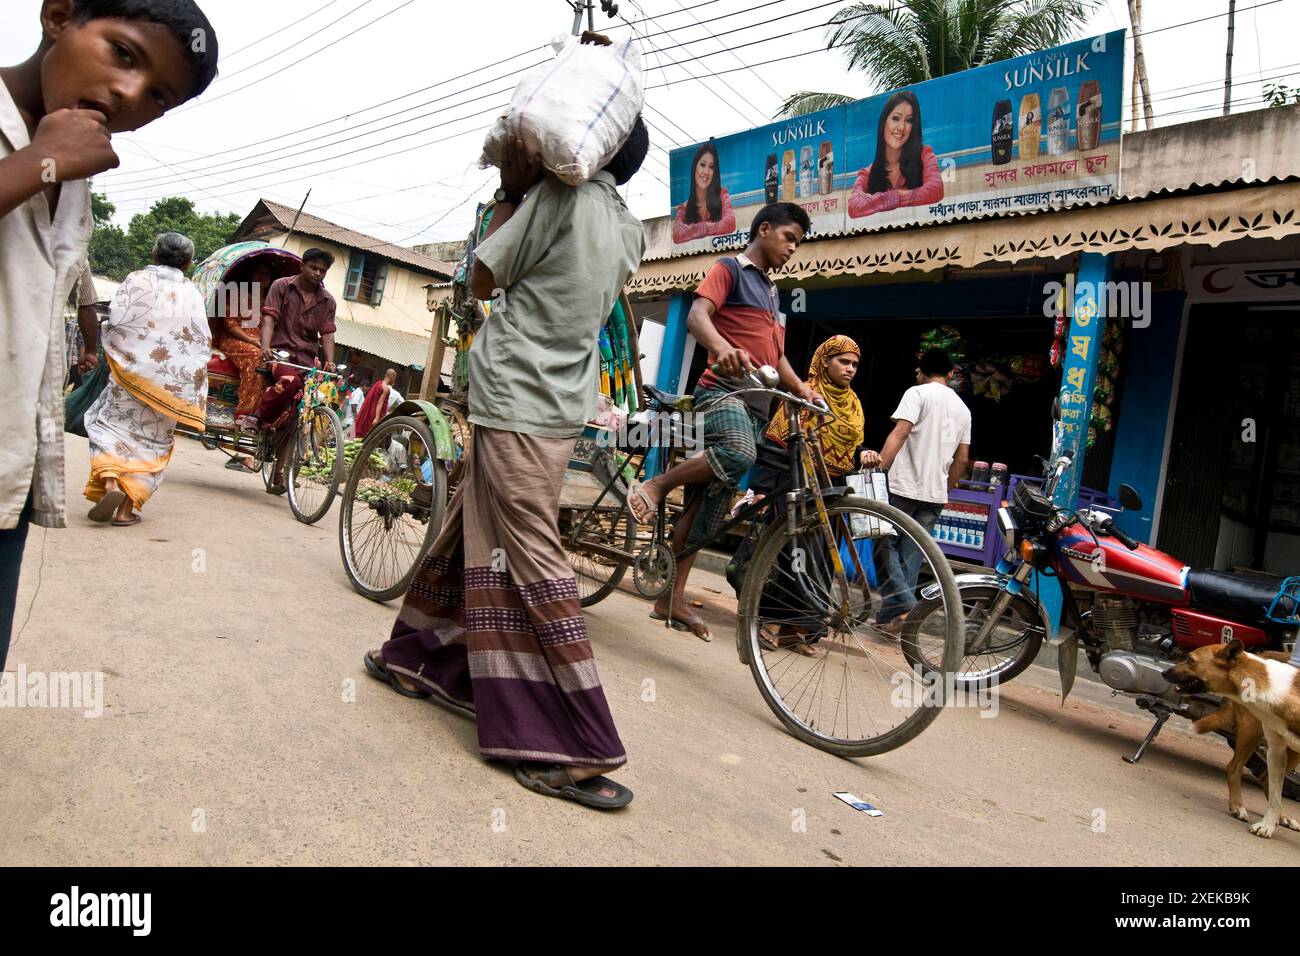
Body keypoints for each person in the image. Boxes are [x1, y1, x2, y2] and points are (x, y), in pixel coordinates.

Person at [364, 113, 648, 811]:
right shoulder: (631, 226)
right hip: (557, 403)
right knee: (476, 522)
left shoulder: (556, 200)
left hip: (516, 390)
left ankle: (583, 742)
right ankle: (416, 660)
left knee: (527, 550)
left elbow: (484, 279)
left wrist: (509, 196)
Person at [0, 0, 218, 669]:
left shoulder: (73, 182)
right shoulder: (51, 160)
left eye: (159, 96)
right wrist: (38, 162)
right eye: (123, 53)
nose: (129, 96)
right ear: (59, 14)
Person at [627, 202, 814, 642]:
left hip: (756, 406)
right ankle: (656, 485)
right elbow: (697, 316)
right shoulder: (729, 268)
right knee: (738, 452)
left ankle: (668, 598)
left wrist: (801, 389)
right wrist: (721, 347)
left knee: (707, 511)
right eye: (789, 238)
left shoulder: (771, 291)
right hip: (721, 392)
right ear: (764, 229)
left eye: (798, 244)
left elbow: (778, 356)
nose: (792, 248)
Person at [734, 335, 872, 655]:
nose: (851, 369)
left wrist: (865, 453)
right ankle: (765, 621)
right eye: (844, 362)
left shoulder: (853, 405)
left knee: (820, 561)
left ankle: (796, 630)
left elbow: (849, 450)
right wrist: (761, 490)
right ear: (825, 361)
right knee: (788, 555)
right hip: (794, 482)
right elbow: (776, 441)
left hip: (829, 493)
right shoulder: (805, 395)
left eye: (855, 364)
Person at [83, 234, 210, 525]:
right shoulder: (192, 292)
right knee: (152, 444)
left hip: (129, 374)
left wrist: (115, 348)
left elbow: (117, 320)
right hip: (168, 386)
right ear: (189, 263)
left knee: (107, 427)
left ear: (154, 253)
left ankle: (112, 481)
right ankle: (125, 510)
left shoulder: (136, 280)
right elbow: (200, 338)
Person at [866, 348, 971, 634]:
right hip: (934, 495)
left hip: (903, 486)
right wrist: (944, 489)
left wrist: (878, 471)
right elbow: (962, 459)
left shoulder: (917, 393)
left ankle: (908, 607)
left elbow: (899, 432)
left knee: (883, 546)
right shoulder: (964, 409)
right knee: (910, 556)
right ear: (950, 374)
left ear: (922, 371)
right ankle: (891, 618)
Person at [242, 248, 338, 495]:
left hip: (306, 359)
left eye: (322, 270)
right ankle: (258, 416)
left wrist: (330, 362)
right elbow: (269, 319)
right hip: (280, 353)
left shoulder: (328, 301)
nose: (317, 273)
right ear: (302, 266)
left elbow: (327, 333)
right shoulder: (282, 287)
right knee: (290, 381)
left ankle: (279, 472)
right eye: (313, 267)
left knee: (298, 414)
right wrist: (265, 347)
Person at [848, 90, 944, 220]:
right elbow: (854, 207)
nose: (901, 127)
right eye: (896, 118)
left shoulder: (924, 155)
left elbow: (935, 190)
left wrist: (891, 197)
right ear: (883, 123)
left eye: (909, 120)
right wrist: (896, 197)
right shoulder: (868, 173)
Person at [671, 142, 736, 243]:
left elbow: (730, 223)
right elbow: (677, 234)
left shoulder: (722, 195)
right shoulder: (684, 207)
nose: (706, 172)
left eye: (711, 167)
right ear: (694, 168)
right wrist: (704, 227)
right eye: (702, 165)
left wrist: (693, 231)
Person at [352, 370, 391, 439]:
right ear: (392, 376)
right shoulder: (386, 388)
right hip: (375, 415)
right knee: (369, 435)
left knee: (364, 434)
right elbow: (380, 403)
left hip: (370, 413)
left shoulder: (378, 384)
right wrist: (377, 418)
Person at [343, 374, 365, 439]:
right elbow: (353, 405)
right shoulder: (359, 392)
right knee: (347, 440)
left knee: (346, 440)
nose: (368, 389)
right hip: (351, 421)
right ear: (364, 385)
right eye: (368, 387)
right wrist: (356, 417)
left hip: (350, 421)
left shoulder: (357, 392)